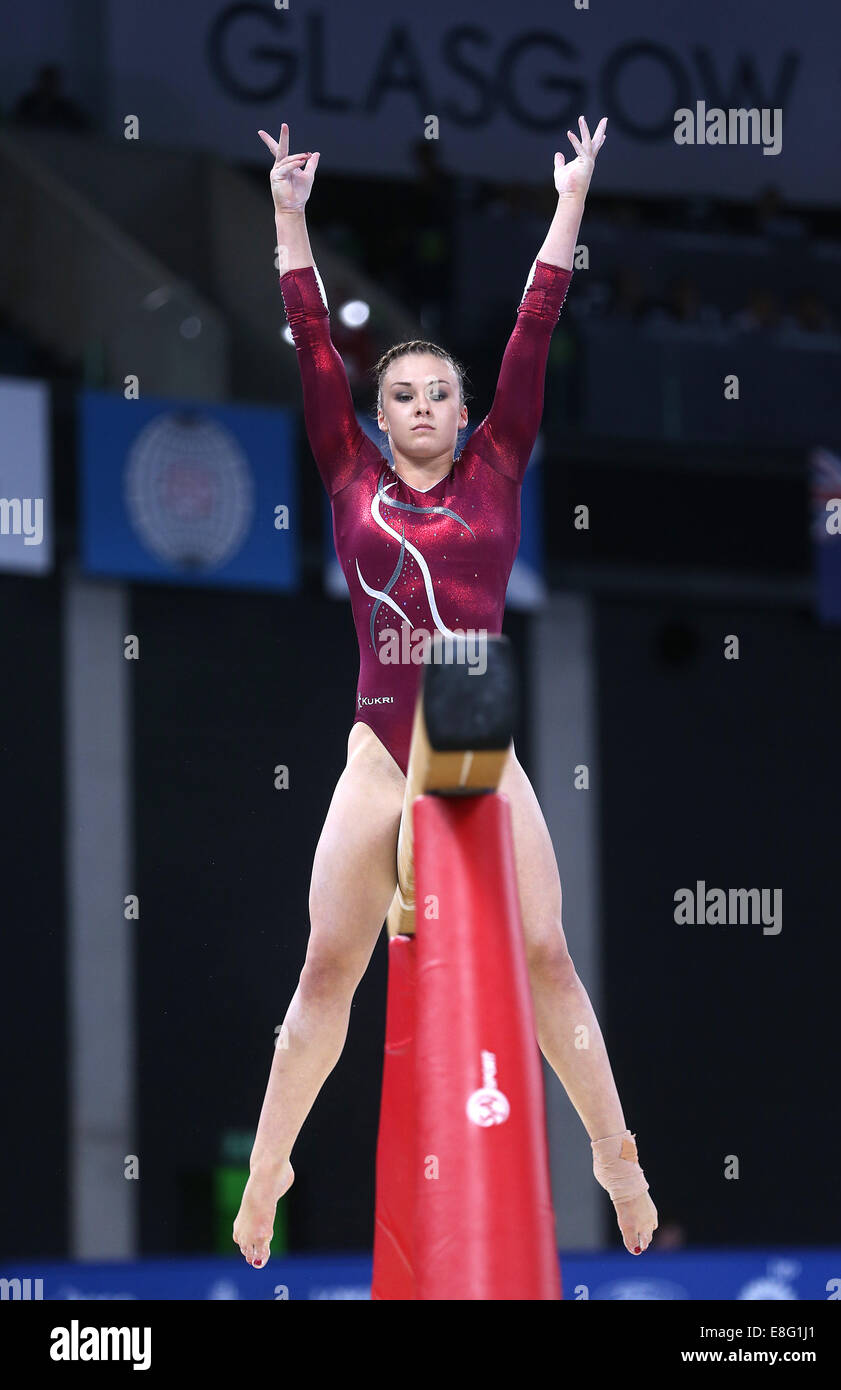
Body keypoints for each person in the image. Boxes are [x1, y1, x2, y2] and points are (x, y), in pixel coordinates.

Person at [233, 118, 658, 1273]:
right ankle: (269, 1166)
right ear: (379, 418)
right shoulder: (345, 469)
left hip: (476, 754)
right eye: (402, 394)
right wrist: (286, 212)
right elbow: (312, 338)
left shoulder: (499, 467)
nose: (420, 406)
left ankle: (615, 1155)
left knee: (547, 959)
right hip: (378, 751)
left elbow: (533, 329)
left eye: (438, 394)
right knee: (327, 969)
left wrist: (567, 201)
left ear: (464, 415)